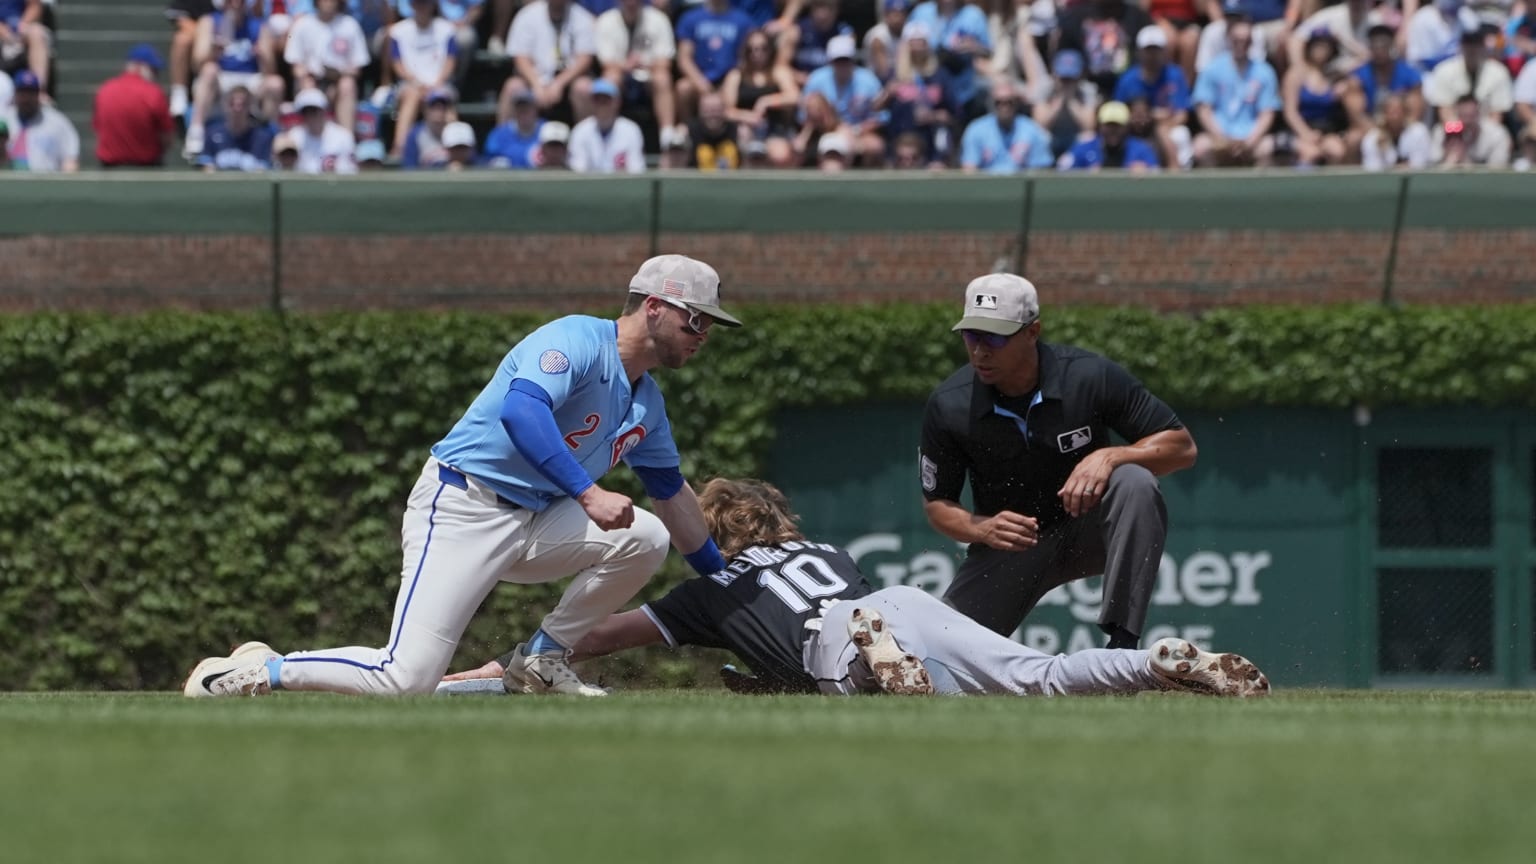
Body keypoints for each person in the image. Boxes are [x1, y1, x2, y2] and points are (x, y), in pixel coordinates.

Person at [183, 255, 744, 699]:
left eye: (710, 325)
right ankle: (264, 669)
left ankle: (542, 660)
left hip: (536, 519)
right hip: (464, 506)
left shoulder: (647, 403)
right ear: (652, 307)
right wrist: (589, 492)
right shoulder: (575, 339)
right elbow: (522, 413)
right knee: (404, 679)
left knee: (645, 536)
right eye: (695, 317)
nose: (703, 333)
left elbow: (671, 494)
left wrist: (723, 583)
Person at [437, 478, 1270, 699]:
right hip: (894, 604)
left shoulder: (706, 588)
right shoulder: (822, 549)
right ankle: (1154, 663)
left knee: (856, 679)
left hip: (843, 642)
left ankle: (875, 672)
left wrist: (486, 670)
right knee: (1036, 677)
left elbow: (580, 639)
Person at [919, 273, 1197, 647]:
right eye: (971, 335)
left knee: (1134, 479)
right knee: (941, 654)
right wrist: (981, 528)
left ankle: (1122, 645)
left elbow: (1182, 447)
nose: (980, 351)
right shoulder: (950, 404)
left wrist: (1113, 454)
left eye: (996, 337)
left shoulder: (1087, 376)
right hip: (1012, 546)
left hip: (1091, 532)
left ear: (1032, 332)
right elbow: (938, 505)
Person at [94, 44, 176, 168]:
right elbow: (167, 137)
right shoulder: (153, 93)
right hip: (147, 169)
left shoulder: (104, 89)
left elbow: (97, 127)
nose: (156, 75)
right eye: (154, 70)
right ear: (140, 67)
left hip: (109, 169)